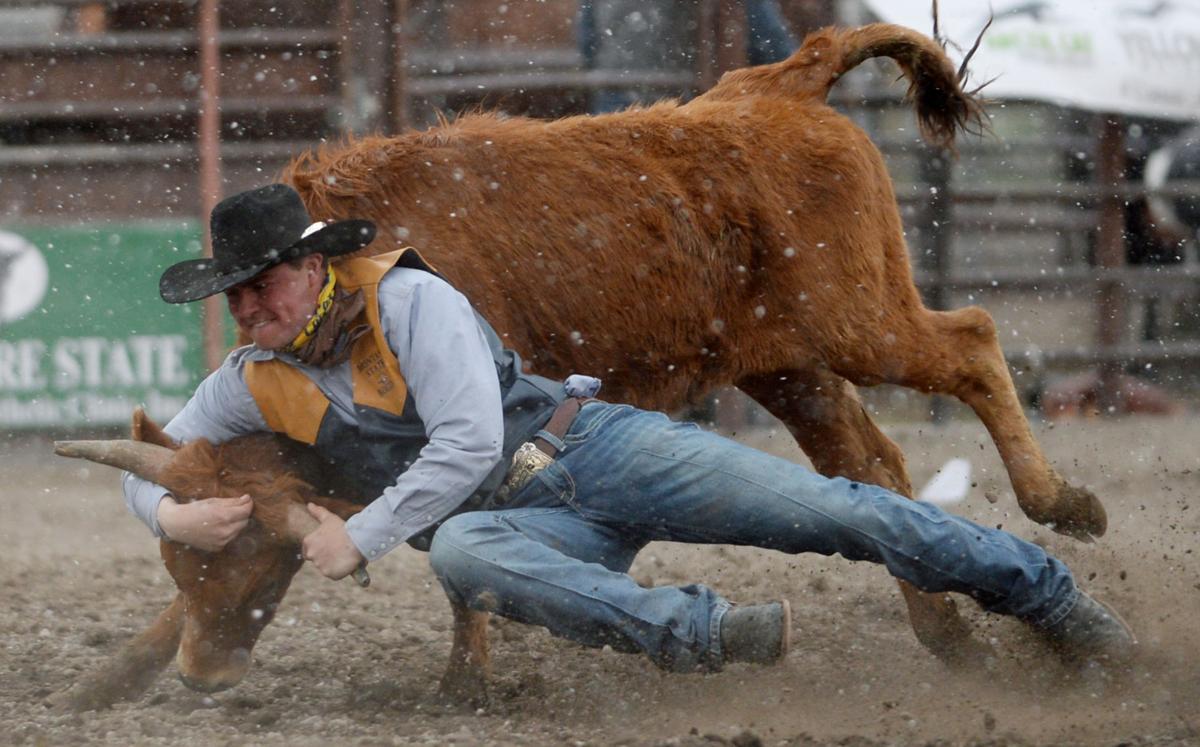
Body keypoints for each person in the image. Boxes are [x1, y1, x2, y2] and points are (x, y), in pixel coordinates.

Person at [125, 184, 1135, 672]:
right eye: (234, 296)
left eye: (257, 288)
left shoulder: (411, 304)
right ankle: (705, 633)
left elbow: (472, 442)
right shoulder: (250, 379)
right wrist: (169, 521)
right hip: (524, 523)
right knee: (469, 547)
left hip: (588, 446)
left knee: (833, 510)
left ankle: (1046, 594)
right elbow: (146, 467)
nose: (247, 310)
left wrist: (363, 532)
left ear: (312, 268)